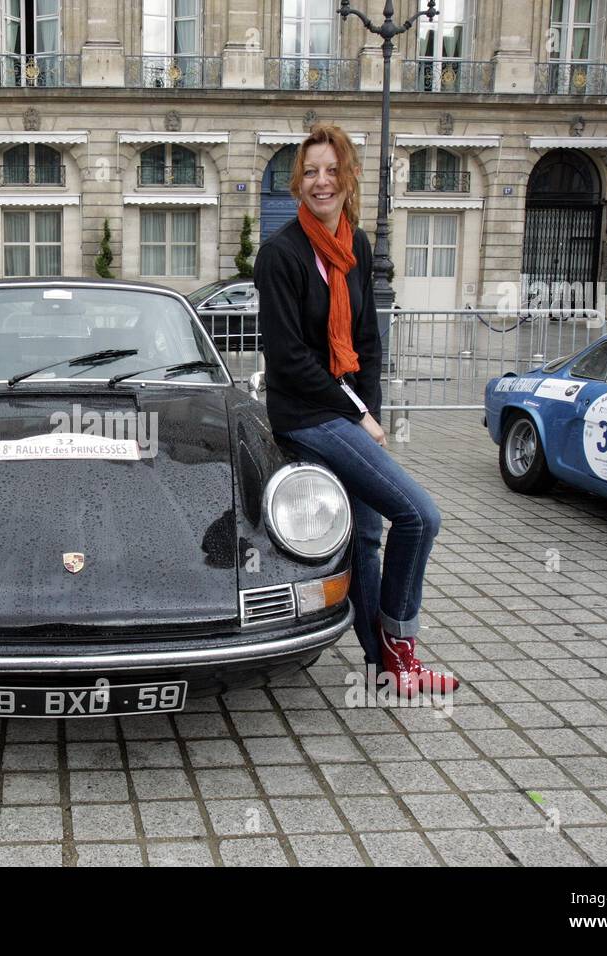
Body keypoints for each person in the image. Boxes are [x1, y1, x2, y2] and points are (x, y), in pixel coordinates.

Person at [254, 123, 457, 699]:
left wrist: (371, 409)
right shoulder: (281, 254)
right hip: (305, 413)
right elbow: (288, 357)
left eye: (331, 170)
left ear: (348, 177)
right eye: (310, 171)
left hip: (347, 413)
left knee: (368, 534)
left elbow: (367, 340)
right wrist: (357, 417)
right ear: (299, 182)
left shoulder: (356, 246)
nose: (321, 182)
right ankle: (402, 647)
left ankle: (383, 667)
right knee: (421, 516)